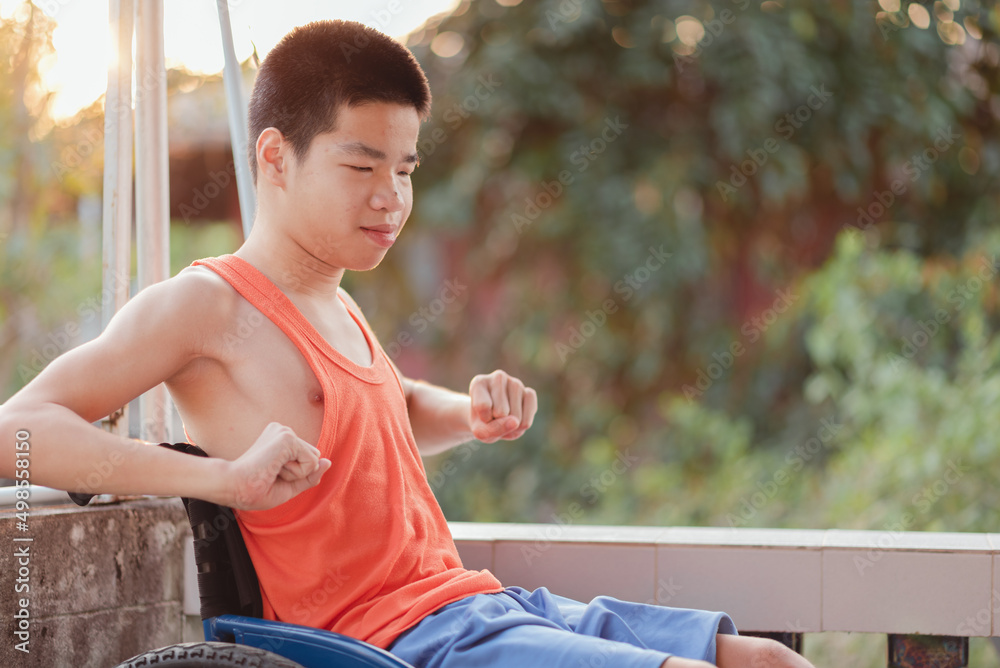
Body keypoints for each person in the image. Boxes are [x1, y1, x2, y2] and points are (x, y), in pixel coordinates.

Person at [0, 19, 816, 668]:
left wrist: (474, 413)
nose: (392, 197)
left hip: (478, 606)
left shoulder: (337, 303)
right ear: (275, 158)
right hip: (396, 643)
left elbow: (388, 414)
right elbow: (16, 436)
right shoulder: (202, 305)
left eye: (406, 168)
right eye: (362, 167)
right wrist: (219, 478)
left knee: (767, 660)